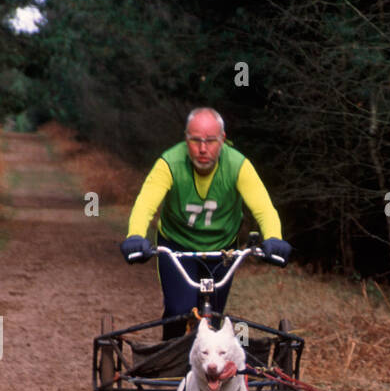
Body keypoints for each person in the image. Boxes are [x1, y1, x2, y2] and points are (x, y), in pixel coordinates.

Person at [120, 107, 291, 337]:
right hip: (176, 246)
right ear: (185, 139)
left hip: (221, 250)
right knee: (179, 310)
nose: (203, 149)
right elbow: (145, 205)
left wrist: (273, 238)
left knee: (214, 317)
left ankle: (210, 366)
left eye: (210, 141)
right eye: (195, 140)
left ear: (223, 139)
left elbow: (263, 208)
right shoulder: (169, 163)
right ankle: (171, 363)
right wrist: (135, 236)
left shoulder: (238, 165)